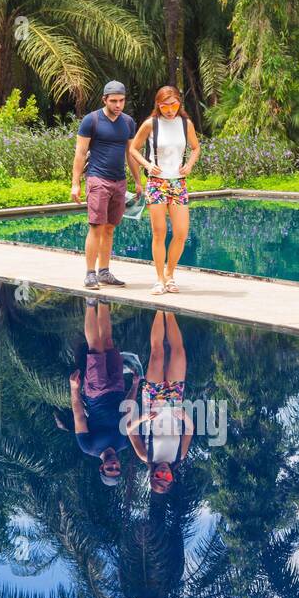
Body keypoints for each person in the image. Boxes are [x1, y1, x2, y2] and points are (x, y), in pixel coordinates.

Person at [129, 86, 201, 295]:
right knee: (159, 232)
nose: (170, 110)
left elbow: (196, 147)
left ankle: (170, 274)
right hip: (157, 183)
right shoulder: (151, 124)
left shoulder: (186, 124)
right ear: (158, 105)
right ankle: (159, 279)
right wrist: (147, 165)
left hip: (178, 183)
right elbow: (134, 148)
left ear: (179, 104)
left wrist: (189, 165)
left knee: (181, 233)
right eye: (164, 106)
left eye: (174, 105)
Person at [71, 81, 142, 290]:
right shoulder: (91, 120)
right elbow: (80, 153)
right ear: (104, 99)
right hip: (97, 179)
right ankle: (90, 274)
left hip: (119, 181)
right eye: (114, 101)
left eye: (121, 100)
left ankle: (104, 271)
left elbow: (131, 154)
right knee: (96, 226)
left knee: (110, 228)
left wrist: (138, 181)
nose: (118, 105)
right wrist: (75, 184)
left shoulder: (128, 122)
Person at [126, 310, 192, 493]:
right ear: (172, 476)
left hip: (153, 400)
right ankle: (169, 312)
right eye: (167, 478)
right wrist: (184, 416)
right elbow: (190, 430)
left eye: (159, 477)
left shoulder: (145, 455)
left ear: (152, 475)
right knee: (179, 352)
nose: (163, 473)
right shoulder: (180, 455)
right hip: (174, 400)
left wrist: (143, 418)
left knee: (157, 353)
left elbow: (129, 430)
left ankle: (158, 309)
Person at [70, 298, 133, 485]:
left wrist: (74, 389)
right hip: (118, 388)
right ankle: (104, 300)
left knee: (95, 347)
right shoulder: (124, 442)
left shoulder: (88, 447)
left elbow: (79, 417)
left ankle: (90, 303)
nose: (114, 465)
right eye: (117, 469)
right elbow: (127, 411)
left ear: (102, 468)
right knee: (107, 342)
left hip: (96, 393)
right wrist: (135, 384)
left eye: (109, 469)